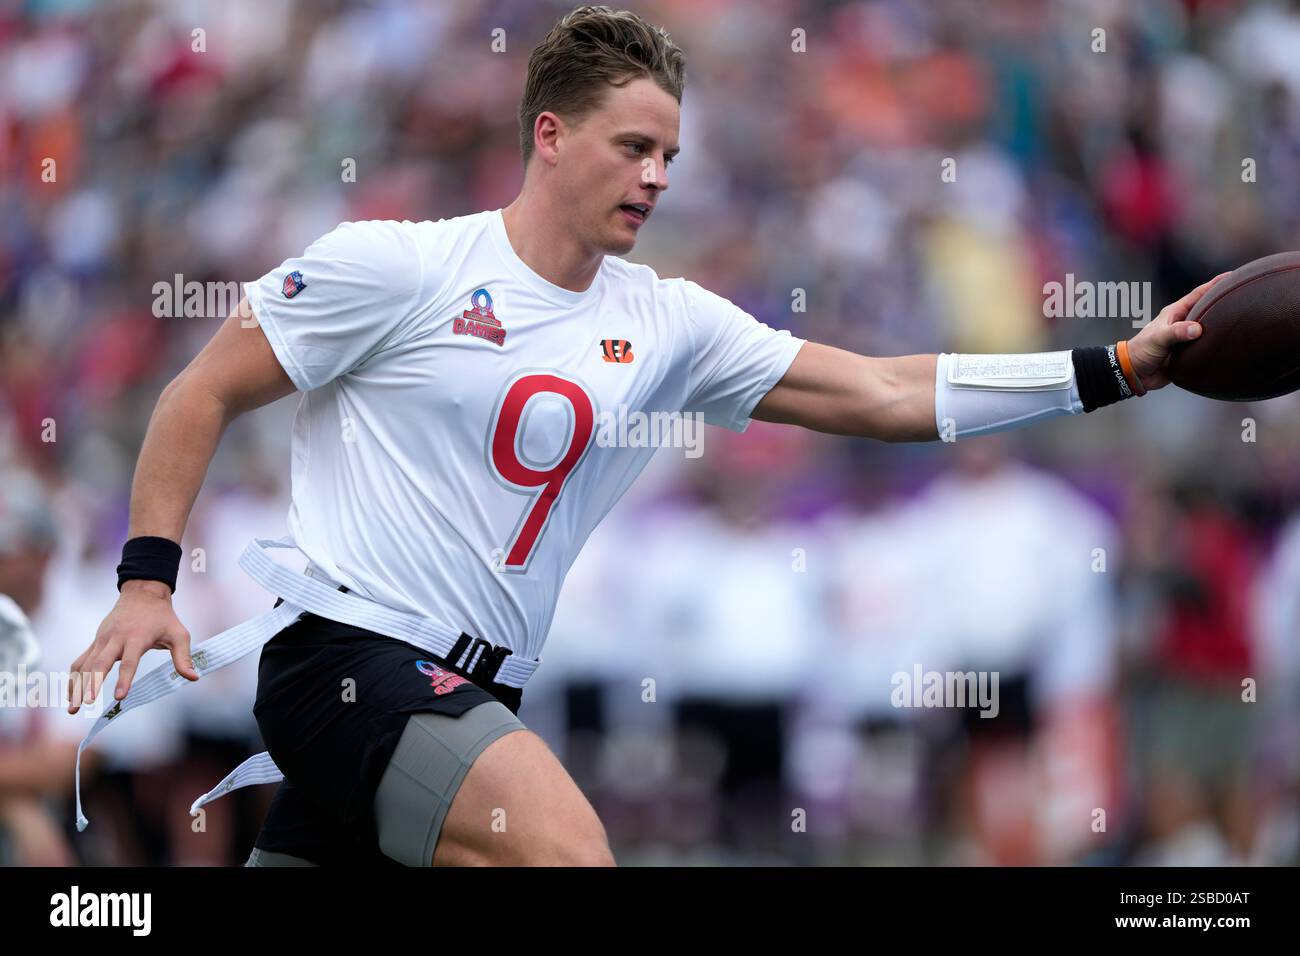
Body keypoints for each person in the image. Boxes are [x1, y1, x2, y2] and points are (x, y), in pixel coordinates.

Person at [65, 5, 1224, 867]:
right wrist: (146, 579)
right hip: (350, 664)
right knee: (573, 854)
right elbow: (197, 389)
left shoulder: (663, 321)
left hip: (477, 693)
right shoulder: (401, 264)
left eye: (670, 153)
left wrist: (1110, 368)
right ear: (550, 135)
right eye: (633, 147)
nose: (658, 175)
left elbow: (878, 389)